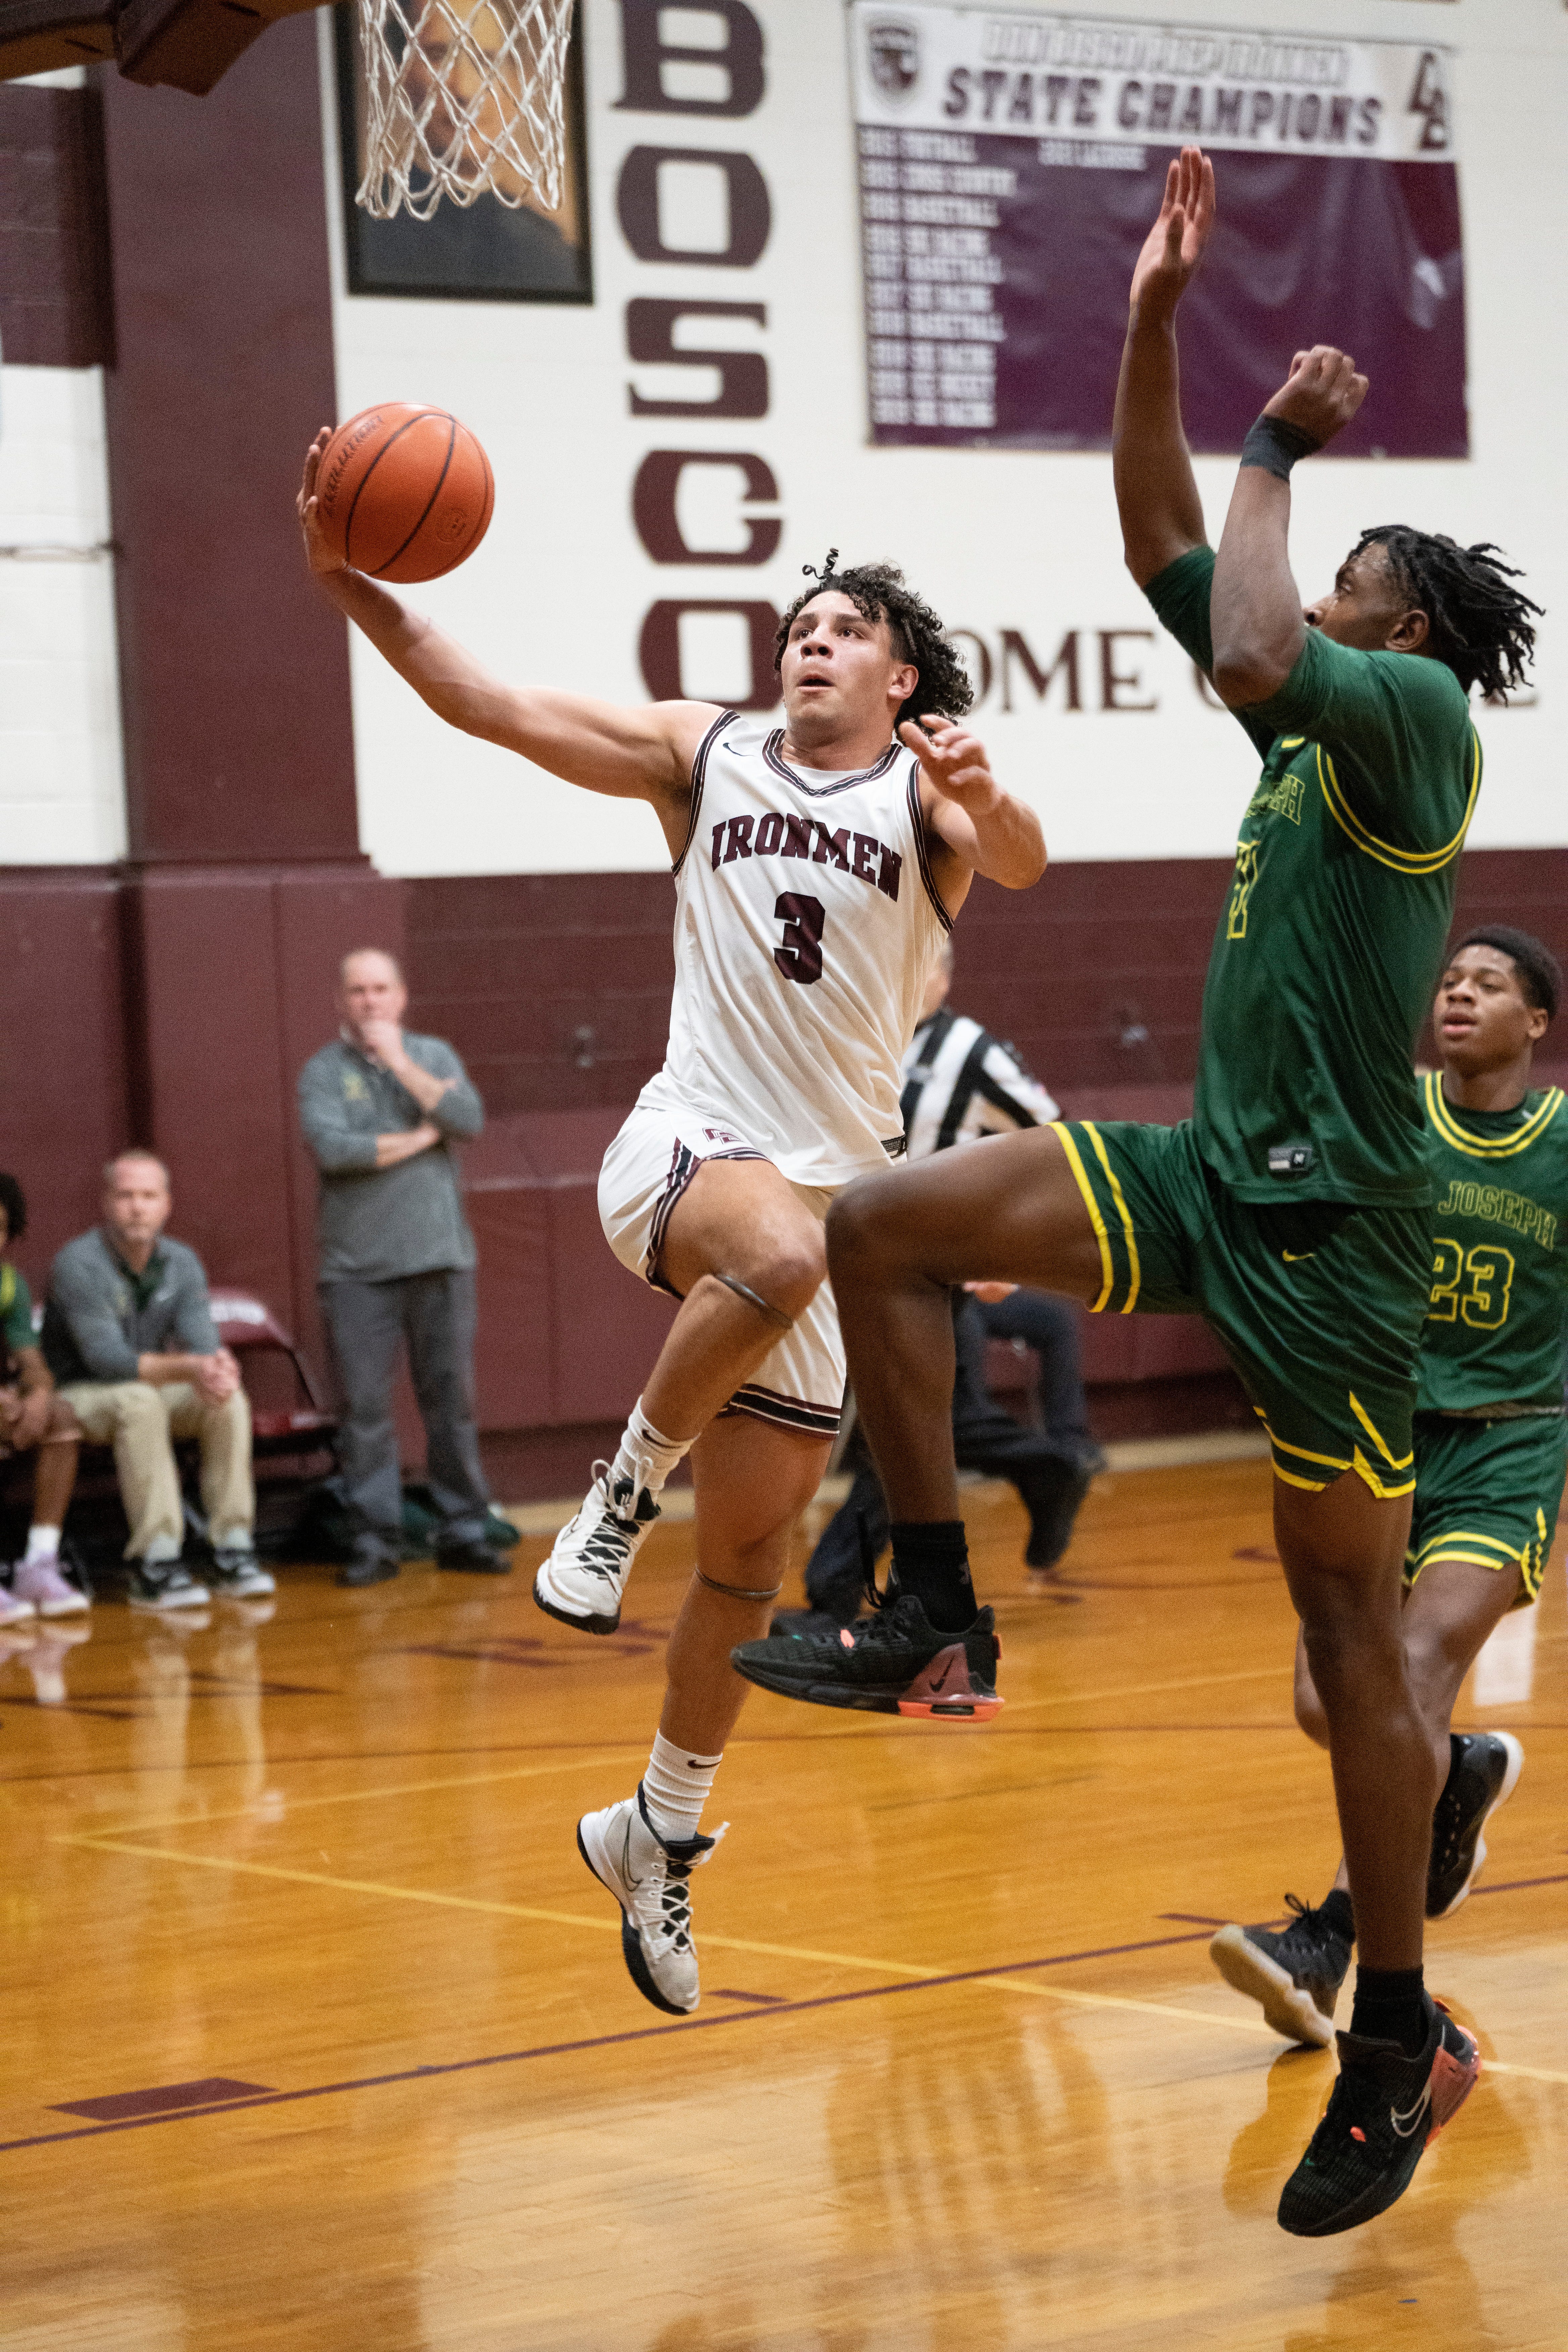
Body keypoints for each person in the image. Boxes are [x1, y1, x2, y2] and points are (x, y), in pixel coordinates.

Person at [731, 148, 1542, 2237]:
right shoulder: (1306, 740)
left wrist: (1280, 437)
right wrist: (1157, 321)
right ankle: (928, 1599)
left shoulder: (1412, 725)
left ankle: (1393, 2037)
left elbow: (1253, 614)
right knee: (885, 1223)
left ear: (1410, 625)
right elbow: (1164, 542)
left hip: (1338, 1254)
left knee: (1346, 1653)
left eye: (1360, 569)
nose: (1316, 586)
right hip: (1202, 1178)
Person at [297, 444, 1043, 2014]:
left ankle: (657, 1832)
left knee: (752, 1566)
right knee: (766, 1256)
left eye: (844, 627)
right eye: (801, 624)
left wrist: (986, 794)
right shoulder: (699, 752)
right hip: (689, 1147)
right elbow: (487, 703)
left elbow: (1030, 857)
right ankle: (610, 1500)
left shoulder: (926, 793)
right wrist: (352, 583)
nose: (811, 640)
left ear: (900, 673)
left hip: (833, 1209)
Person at [1210, 926, 1566, 2044]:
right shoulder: (1393, 1114)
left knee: (1405, 1673)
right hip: (1380, 1442)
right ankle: (1452, 1773)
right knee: (1330, 1701)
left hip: (1506, 1448)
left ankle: (1328, 1939)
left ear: (1536, 1022)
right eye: (1449, 978)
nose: (1458, 993)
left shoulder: (1560, 1143)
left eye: (1489, 983)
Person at [795, 945, 1099, 1626]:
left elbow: (1054, 1147)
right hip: (873, 1271)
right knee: (917, 1428)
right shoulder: (860, 1038)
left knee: (908, 1427)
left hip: (938, 1273)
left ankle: (834, 1595)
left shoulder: (974, 1052)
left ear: (942, 977)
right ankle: (1046, 1466)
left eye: (915, 966)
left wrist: (1007, 1254)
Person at [297, 948, 499, 1589]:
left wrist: (403, 1065)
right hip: (357, 1273)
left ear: (401, 996)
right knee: (364, 1412)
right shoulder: (322, 1073)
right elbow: (335, 1152)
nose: (370, 1001)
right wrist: (421, 1137)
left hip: (440, 1260)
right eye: (357, 991)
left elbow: (466, 1120)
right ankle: (374, 1541)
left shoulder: (433, 1056)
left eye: (381, 989)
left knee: (452, 1404)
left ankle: (465, 1532)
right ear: (341, 1002)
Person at [43, 1153, 271, 1609]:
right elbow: (107, 1361)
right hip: (76, 1394)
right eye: (126, 1196)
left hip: (142, 1384)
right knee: (140, 1402)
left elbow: (203, 1340)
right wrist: (191, 1369)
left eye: (148, 1196)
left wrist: (219, 1368)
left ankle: (232, 1548)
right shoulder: (78, 1263)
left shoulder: (181, 1261)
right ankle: (157, 1563)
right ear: (106, 1203)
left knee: (226, 1401)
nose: (137, 1207)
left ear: (166, 1204)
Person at [0, 1172, 85, 1625]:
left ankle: (39, 1564)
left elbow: (32, 1361)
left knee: (60, 1415)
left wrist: (37, 1394)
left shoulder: (8, 1285)